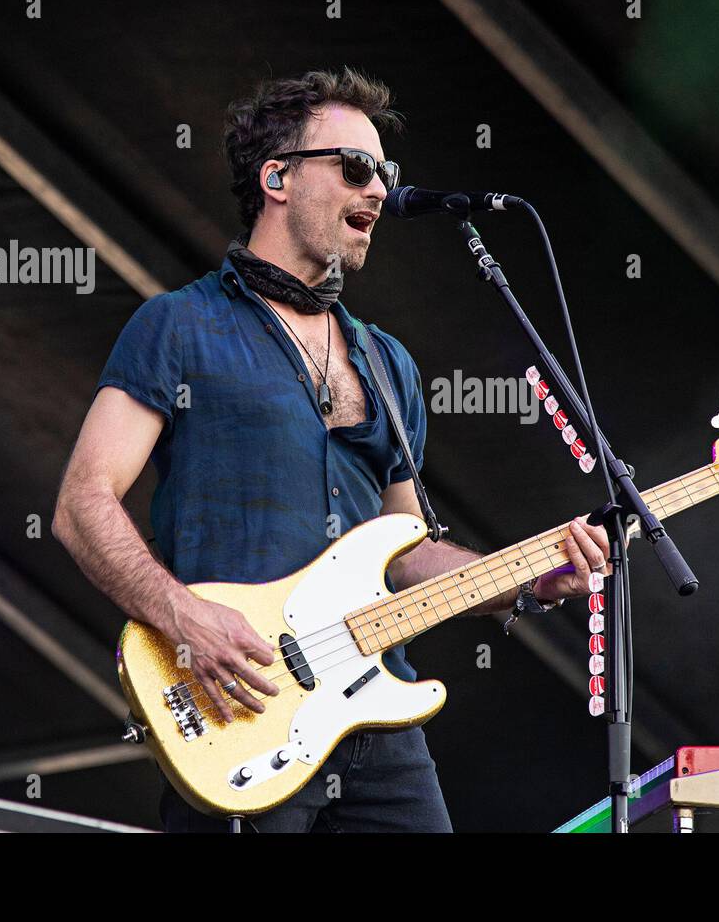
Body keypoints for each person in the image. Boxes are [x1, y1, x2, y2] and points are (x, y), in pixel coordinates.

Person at [52, 68, 611, 832]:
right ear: (276, 177)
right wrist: (185, 619)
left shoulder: (388, 363)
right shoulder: (178, 326)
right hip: (239, 705)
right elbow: (83, 504)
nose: (379, 191)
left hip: (376, 720)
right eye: (354, 168)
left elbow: (404, 550)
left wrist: (524, 576)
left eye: (386, 173)